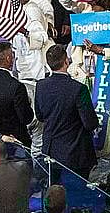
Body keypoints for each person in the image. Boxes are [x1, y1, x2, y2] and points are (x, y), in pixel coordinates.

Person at [33, 45, 99, 179]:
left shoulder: (40, 86)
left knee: (54, 193)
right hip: (75, 155)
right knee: (76, 194)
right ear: (67, 61)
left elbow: (40, 116)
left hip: (51, 153)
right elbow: (90, 123)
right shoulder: (79, 89)